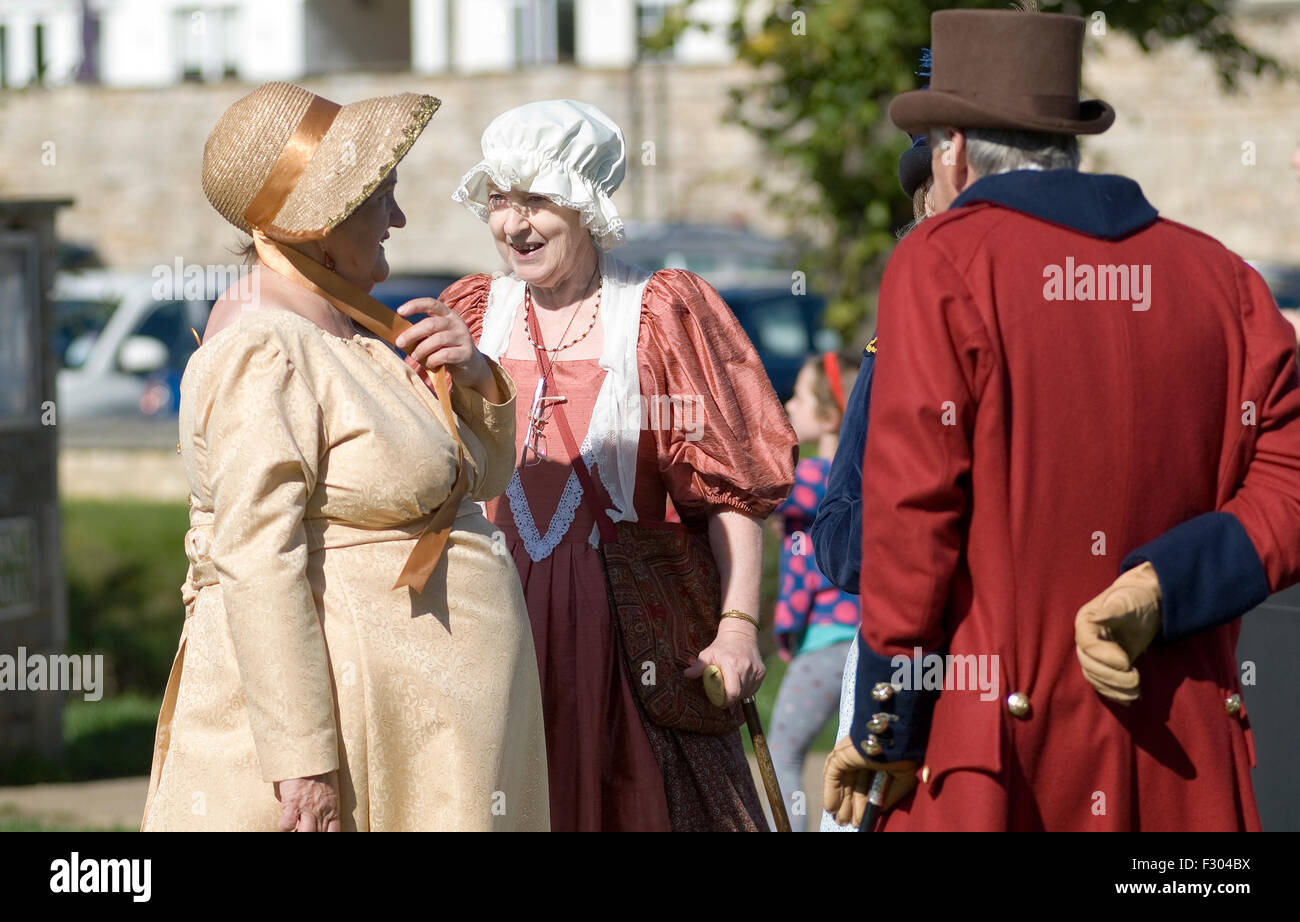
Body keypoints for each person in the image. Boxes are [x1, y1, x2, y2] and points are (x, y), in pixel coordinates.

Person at [822, 9, 1300, 831]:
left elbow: (910, 520)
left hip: (996, 766)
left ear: (955, 150)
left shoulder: (939, 261)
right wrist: (1164, 583)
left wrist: (886, 724)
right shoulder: (1226, 278)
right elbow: (1290, 485)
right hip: (1181, 770)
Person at [140, 81, 548, 831]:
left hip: (427, 735)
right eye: (380, 198)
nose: (397, 217)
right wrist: (301, 759)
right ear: (321, 222)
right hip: (360, 731)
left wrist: (474, 376)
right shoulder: (264, 342)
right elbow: (258, 553)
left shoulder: (349, 324)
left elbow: (481, 480)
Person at [405, 99, 797, 830]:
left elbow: (726, 494)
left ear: (585, 202)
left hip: (622, 638)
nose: (513, 225)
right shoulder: (469, 312)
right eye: (499, 201)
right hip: (490, 628)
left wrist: (739, 627)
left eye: (538, 201)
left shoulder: (659, 314)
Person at [767, 351, 862, 828]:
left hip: (827, 642)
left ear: (827, 417)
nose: (788, 404)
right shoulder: (858, 483)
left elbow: (758, 489)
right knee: (852, 747)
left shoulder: (808, 481)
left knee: (781, 749)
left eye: (800, 397)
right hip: (858, 642)